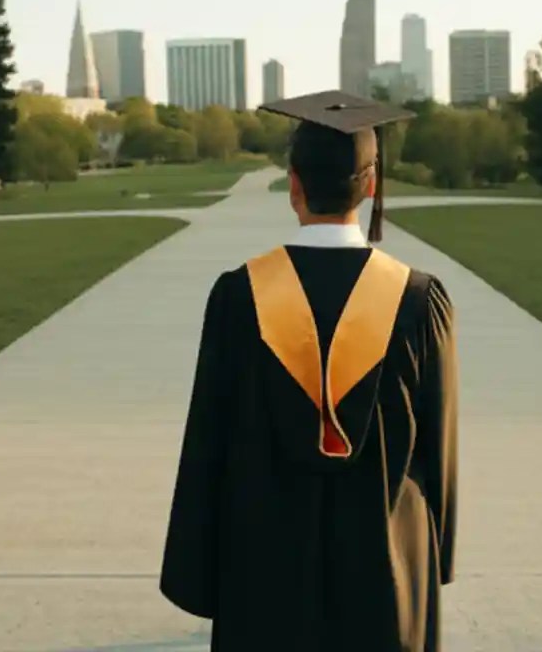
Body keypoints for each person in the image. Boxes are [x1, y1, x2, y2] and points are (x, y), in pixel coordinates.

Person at [159, 91, 459, 652]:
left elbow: (207, 447)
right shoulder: (418, 302)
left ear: (293, 186)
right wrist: (429, 559)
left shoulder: (239, 297)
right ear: (370, 187)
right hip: (385, 579)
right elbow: (436, 456)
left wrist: (200, 571)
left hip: (262, 582)